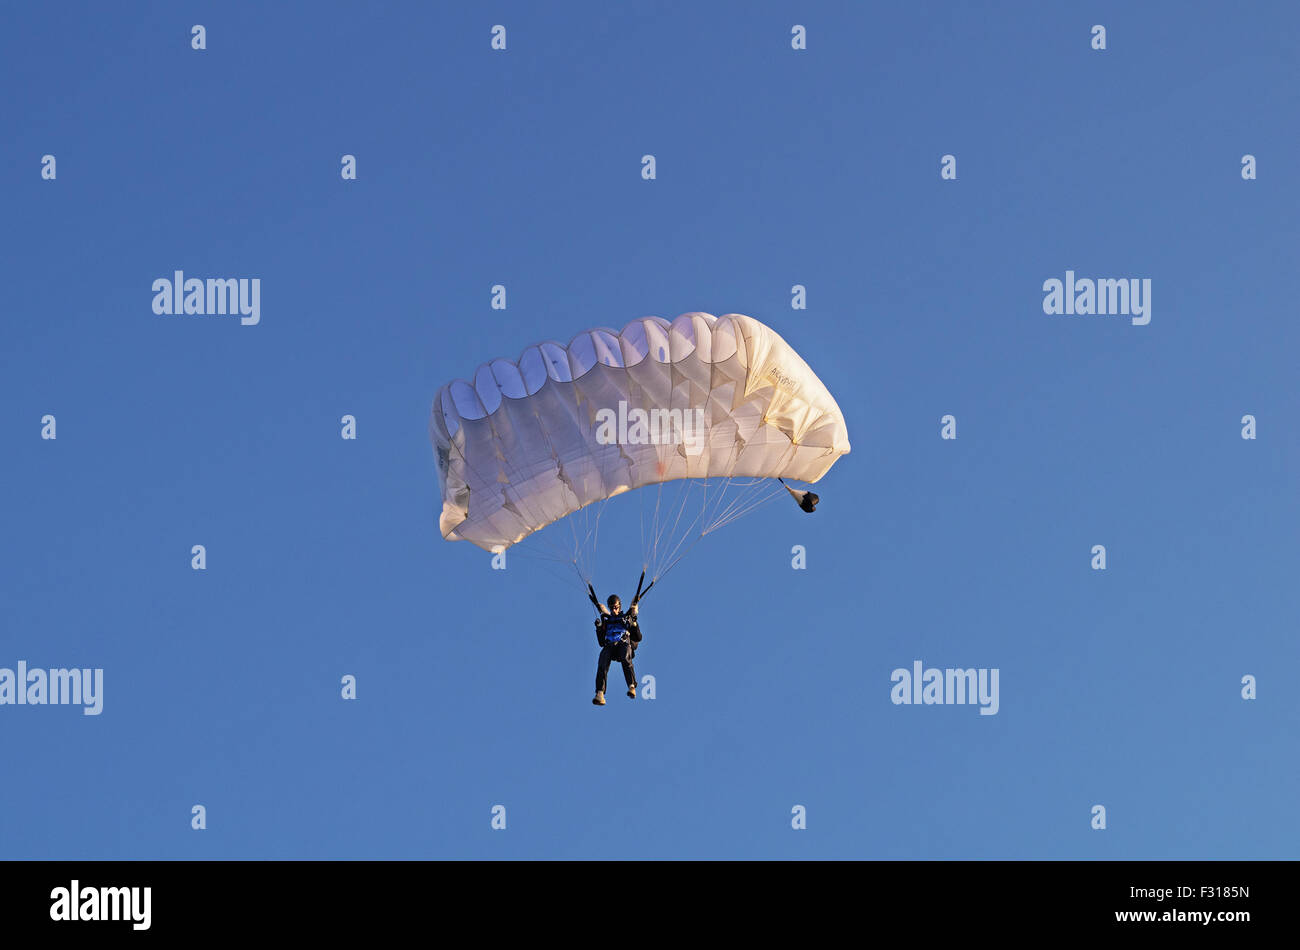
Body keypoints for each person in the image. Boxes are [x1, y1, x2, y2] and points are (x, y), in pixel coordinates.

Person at [588, 585, 642, 705]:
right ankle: (600, 693)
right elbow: (601, 642)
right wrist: (599, 628)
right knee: (602, 662)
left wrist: (634, 623)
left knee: (625, 657)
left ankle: (631, 686)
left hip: (623, 644)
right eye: (611, 608)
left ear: (619, 606)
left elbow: (638, 637)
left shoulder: (626, 618)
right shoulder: (606, 621)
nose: (614, 610)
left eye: (616, 608)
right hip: (610, 646)